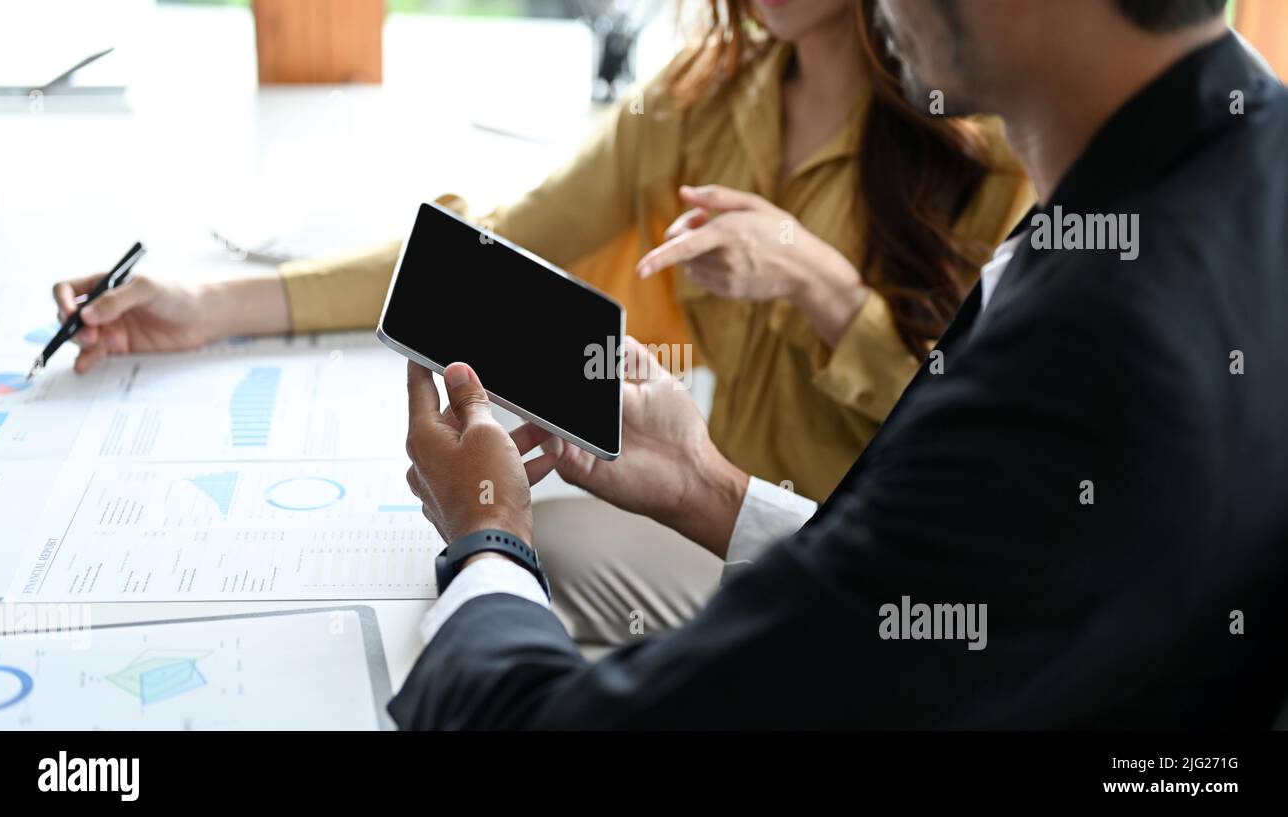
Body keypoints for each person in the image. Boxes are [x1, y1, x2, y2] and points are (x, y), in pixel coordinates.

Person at [388, 0, 1288, 729]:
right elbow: (950, 595)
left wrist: (487, 538)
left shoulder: (1089, 358)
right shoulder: (1230, 161)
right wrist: (704, 484)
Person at [51, 0, 1031, 645]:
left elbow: (983, 452)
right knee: (471, 543)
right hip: (719, 507)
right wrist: (212, 305)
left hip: (867, 565)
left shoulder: (986, 148)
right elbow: (493, 245)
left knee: (507, 554)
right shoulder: (701, 96)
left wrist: (825, 289)